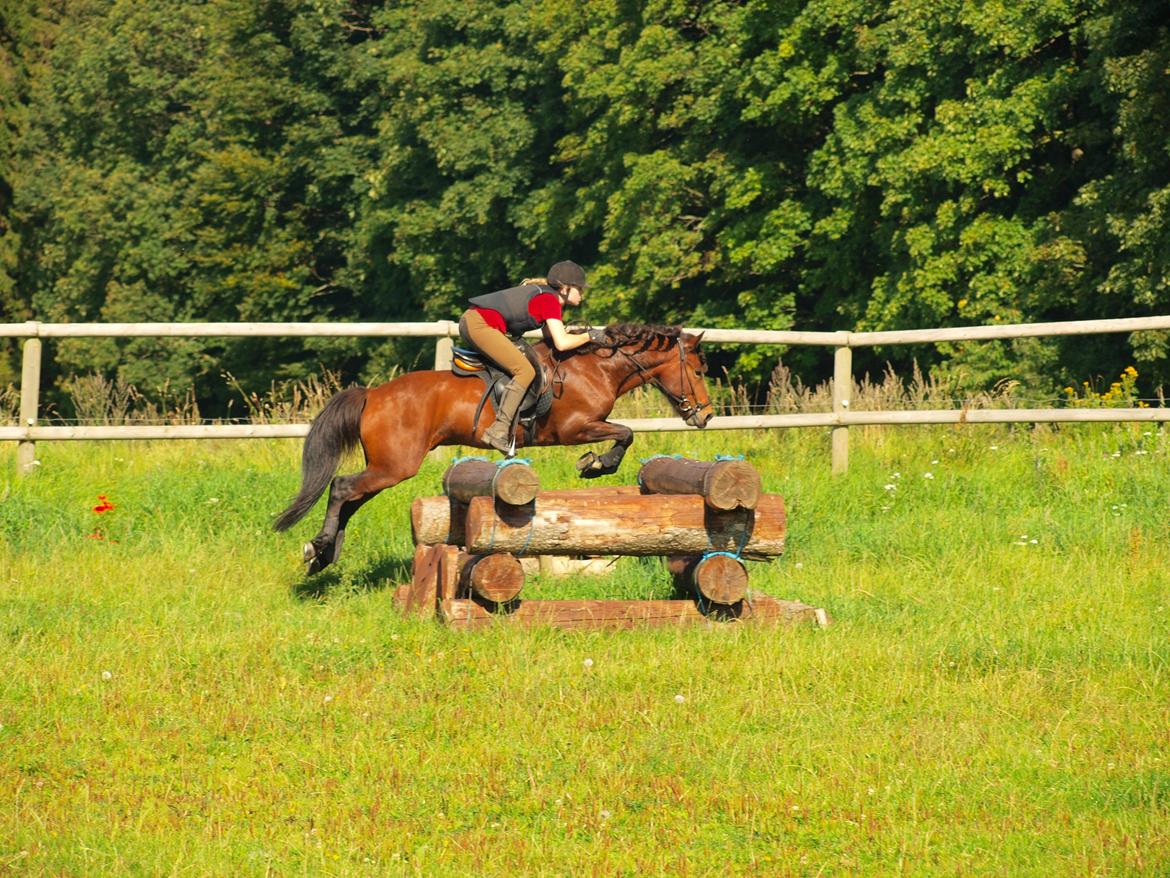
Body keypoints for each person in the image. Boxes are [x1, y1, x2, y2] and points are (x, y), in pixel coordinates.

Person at [459, 259, 605, 454]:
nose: (582, 294)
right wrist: (590, 336)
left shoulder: (547, 297)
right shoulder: (550, 301)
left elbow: (550, 339)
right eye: (579, 288)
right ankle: (499, 430)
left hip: (475, 321)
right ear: (564, 288)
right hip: (479, 325)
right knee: (525, 371)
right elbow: (562, 342)